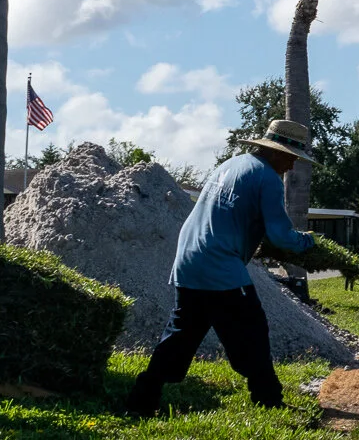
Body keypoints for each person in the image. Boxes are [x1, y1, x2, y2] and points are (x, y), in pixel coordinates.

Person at [124, 118, 318, 415]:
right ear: (276, 152)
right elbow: (281, 235)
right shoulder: (267, 177)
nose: (291, 166)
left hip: (189, 260)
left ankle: (140, 400)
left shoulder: (231, 164)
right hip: (220, 266)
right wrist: (308, 243)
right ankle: (269, 401)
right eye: (292, 158)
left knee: (180, 335)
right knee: (252, 330)